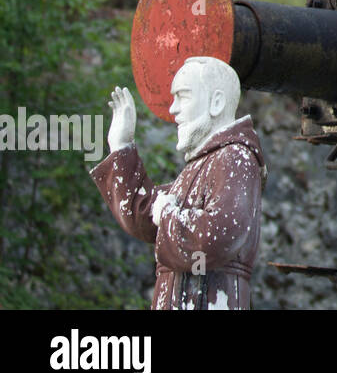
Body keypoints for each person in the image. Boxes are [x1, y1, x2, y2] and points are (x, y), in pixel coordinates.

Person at [91, 57, 264, 309]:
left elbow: (216, 236)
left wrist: (168, 214)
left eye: (183, 96)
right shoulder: (204, 165)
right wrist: (121, 147)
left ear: (216, 102)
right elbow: (145, 214)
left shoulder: (235, 157)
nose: (172, 109)